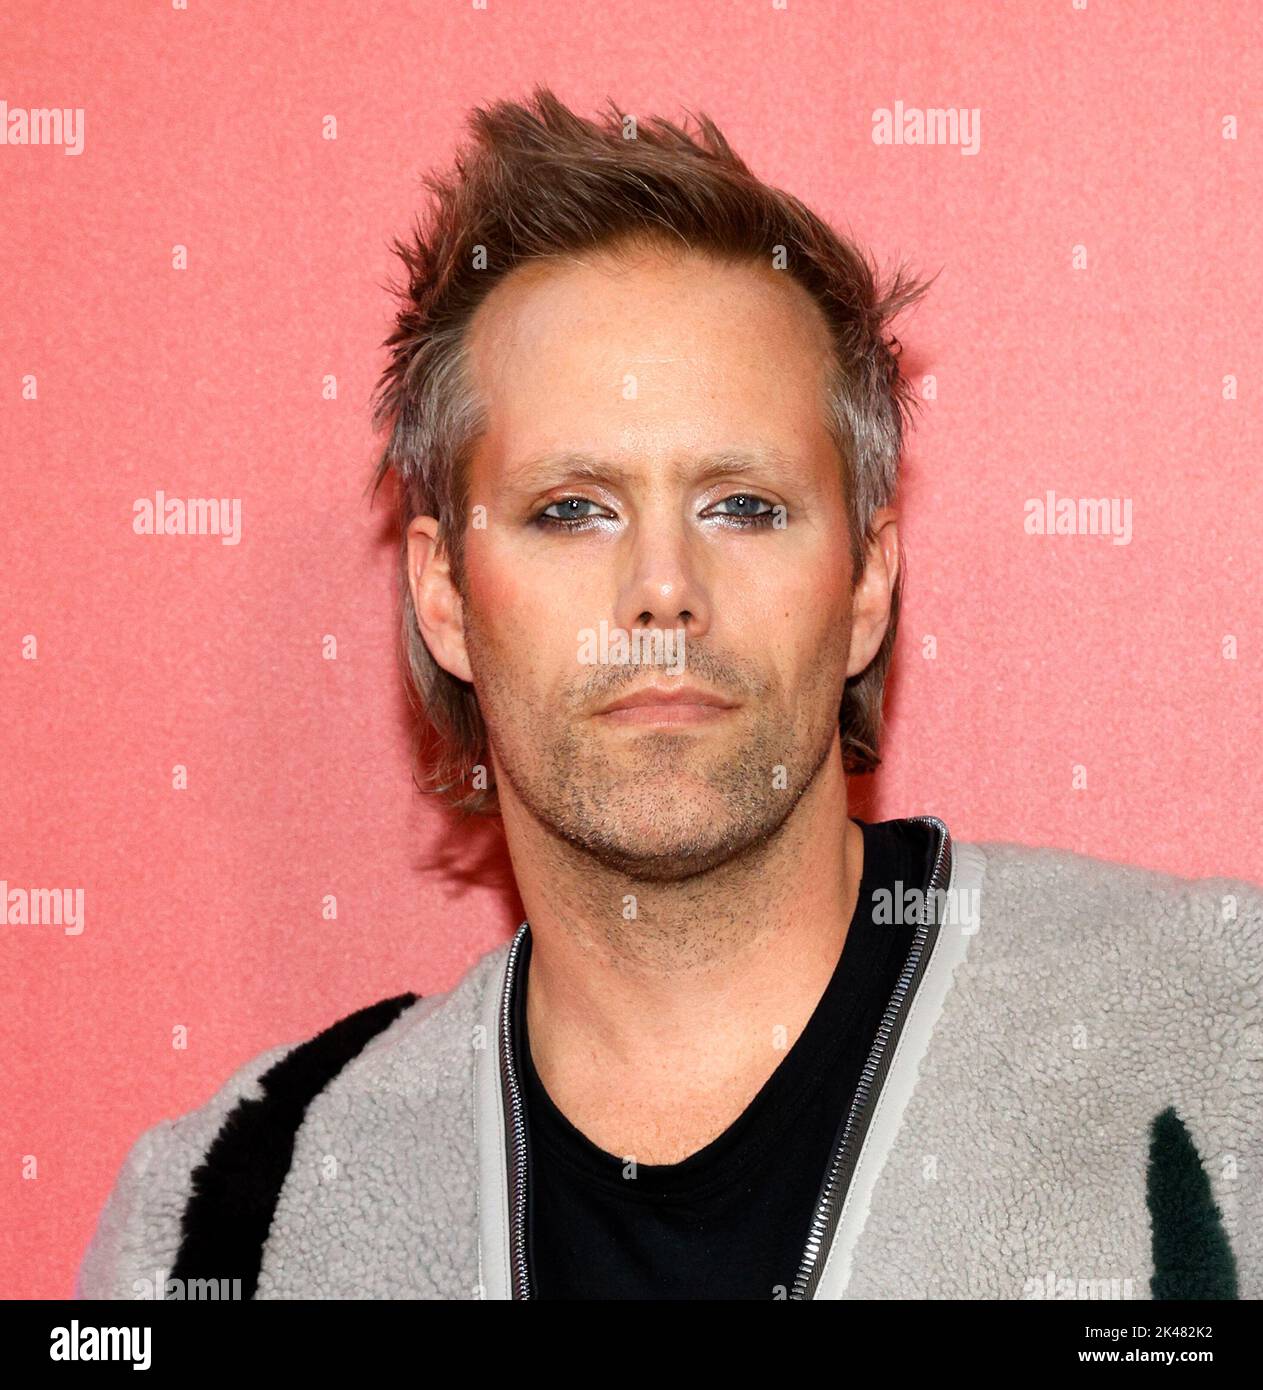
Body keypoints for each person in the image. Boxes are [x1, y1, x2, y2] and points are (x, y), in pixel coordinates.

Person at [78, 85, 1261, 1301]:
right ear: (444, 595)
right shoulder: (227, 1217)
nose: (662, 593)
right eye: (571, 510)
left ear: (865, 584)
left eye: (742, 505)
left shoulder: (1229, 1052)